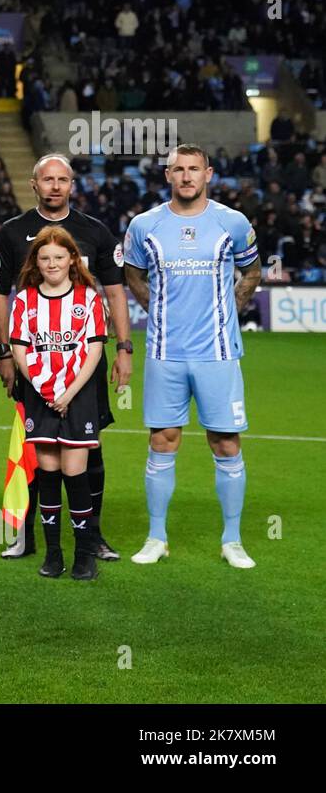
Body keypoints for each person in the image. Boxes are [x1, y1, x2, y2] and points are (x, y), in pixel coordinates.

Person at [123, 145, 261, 569]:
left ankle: (232, 540)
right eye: (178, 169)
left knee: (226, 442)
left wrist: (231, 309)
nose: (186, 176)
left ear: (208, 174)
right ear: (168, 175)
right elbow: (132, 272)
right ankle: (156, 537)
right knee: (162, 440)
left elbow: (253, 270)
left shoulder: (232, 222)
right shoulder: (144, 225)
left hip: (217, 354)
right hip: (165, 353)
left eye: (194, 169)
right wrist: (154, 309)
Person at [0, 153, 132, 560]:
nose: (55, 186)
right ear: (34, 184)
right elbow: (0, 295)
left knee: (89, 444)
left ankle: (93, 536)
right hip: (33, 363)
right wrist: (3, 352)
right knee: (37, 446)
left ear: (72, 184)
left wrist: (124, 348)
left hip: (83, 364)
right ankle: (29, 536)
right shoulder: (13, 232)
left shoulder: (95, 231)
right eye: (47, 179)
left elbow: (115, 291)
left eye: (62, 179)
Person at [9, 226, 108, 581]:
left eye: (58, 257)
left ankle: (85, 555)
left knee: (75, 473)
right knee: (48, 473)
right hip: (40, 397)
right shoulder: (24, 300)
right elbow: (20, 348)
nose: (52, 263)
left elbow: (95, 349)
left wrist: (68, 393)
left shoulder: (88, 299)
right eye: (45, 257)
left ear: (72, 260)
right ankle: (53, 555)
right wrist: (44, 389)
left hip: (78, 398)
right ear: (36, 262)